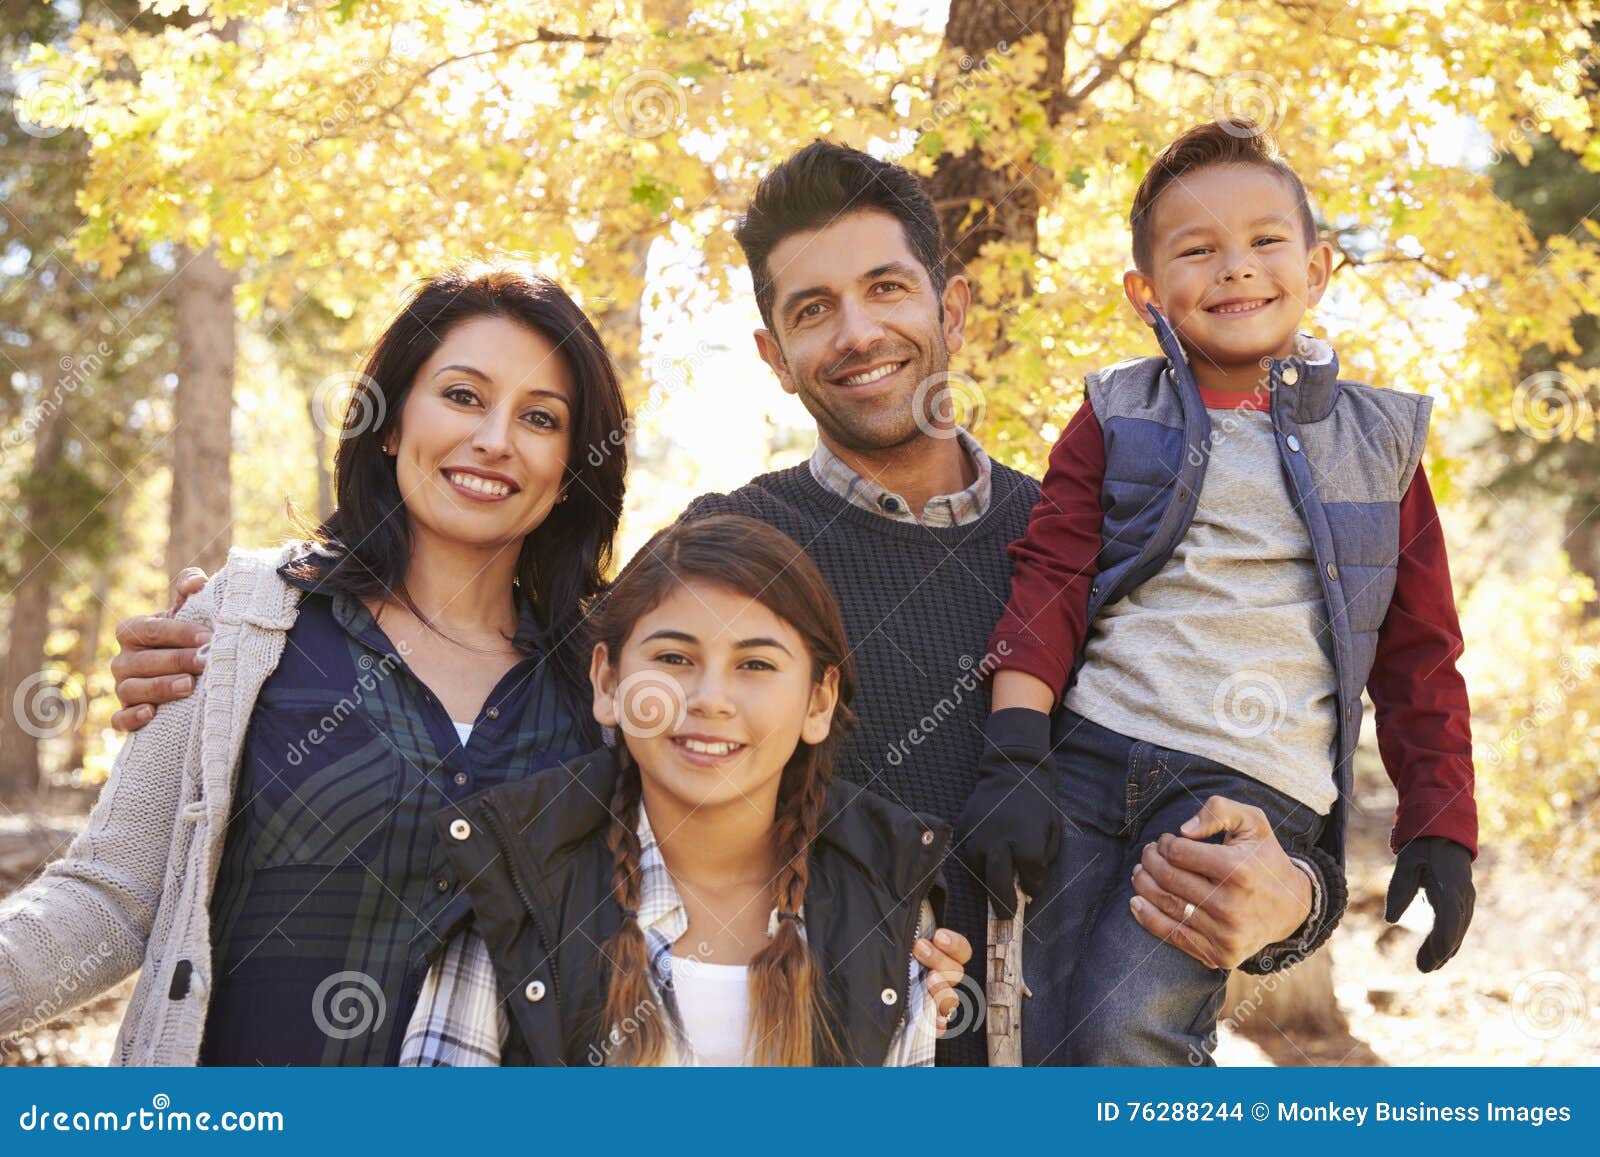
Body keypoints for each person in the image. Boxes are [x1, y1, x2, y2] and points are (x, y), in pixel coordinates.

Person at [104, 142, 1346, 1067]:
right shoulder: (723, 553)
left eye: (887, 290)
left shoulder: (1089, 540)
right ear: (772, 351)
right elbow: (520, 701)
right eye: (812, 310)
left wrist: (1292, 900)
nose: (858, 334)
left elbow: (1249, 775)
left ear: (948, 306)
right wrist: (238, 649)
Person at [0, 265, 629, 1064]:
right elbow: (111, 899)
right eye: (463, 396)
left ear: (573, 466)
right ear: (392, 422)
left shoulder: (604, 683)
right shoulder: (243, 621)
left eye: (540, 418)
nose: (496, 439)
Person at [965, 120, 1478, 1066]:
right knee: (1026, 1027)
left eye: (1265, 242)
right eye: (1198, 250)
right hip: (1089, 752)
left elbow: (1421, 656)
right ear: (1145, 291)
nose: (1236, 269)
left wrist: (1440, 825)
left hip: (1243, 781)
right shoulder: (1117, 413)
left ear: (1319, 268)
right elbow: (1053, 577)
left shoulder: (1381, 444)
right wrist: (1014, 747)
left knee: (1130, 1025)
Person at [400, 515, 966, 1066]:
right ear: (608, 682)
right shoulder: (516, 881)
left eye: (756, 664)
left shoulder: (885, 899)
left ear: (818, 703)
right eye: (673, 658)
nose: (710, 698)